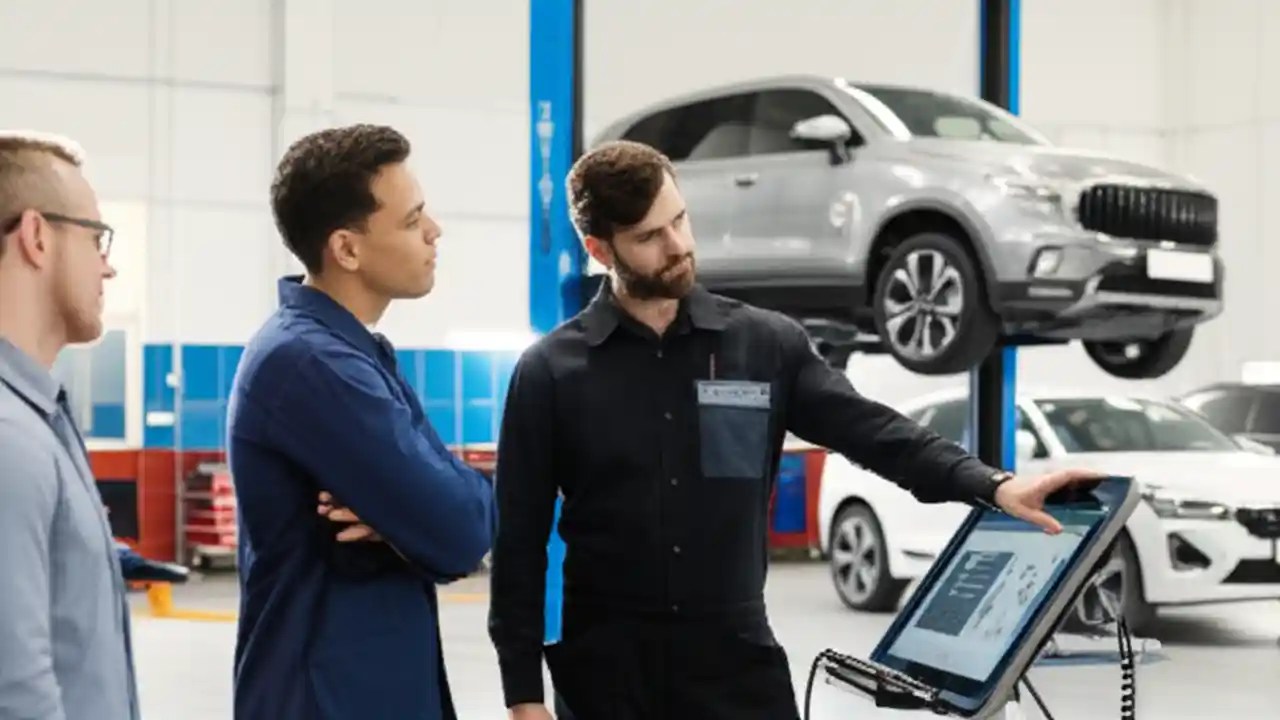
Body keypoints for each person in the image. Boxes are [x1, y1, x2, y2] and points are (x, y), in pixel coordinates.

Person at [488, 140, 1103, 720]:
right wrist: (522, 695)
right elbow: (518, 542)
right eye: (649, 236)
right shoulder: (550, 373)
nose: (677, 244)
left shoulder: (763, 345)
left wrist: (993, 485)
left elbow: (874, 433)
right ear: (601, 250)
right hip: (606, 682)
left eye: (680, 220)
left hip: (737, 674)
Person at [226, 123, 496, 720]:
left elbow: (450, 509)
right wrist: (419, 520)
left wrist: (407, 516)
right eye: (411, 220)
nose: (435, 231)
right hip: (328, 697)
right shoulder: (313, 365)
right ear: (346, 248)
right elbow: (459, 533)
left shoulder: (353, 352)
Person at [0, 131, 139, 720]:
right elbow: (16, 694)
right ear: (36, 237)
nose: (107, 267)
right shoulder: (11, 437)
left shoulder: (39, 414)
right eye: (96, 238)